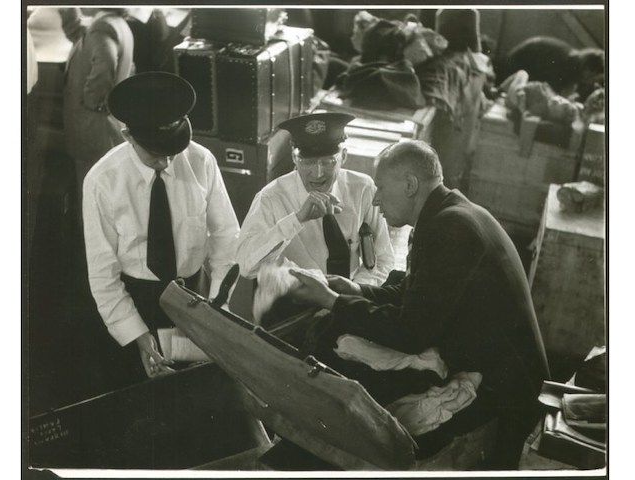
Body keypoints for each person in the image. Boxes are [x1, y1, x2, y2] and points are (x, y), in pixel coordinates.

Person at [287, 139, 550, 469]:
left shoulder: (449, 227)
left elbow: (410, 333)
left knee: (359, 389)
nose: (377, 199)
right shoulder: (446, 213)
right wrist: (354, 290)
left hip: (504, 390)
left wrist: (332, 301)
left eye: (381, 187)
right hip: (484, 362)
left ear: (410, 184)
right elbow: (412, 295)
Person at [82, 72, 240, 382]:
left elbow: (226, 237)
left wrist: (218, 308)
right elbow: (103, 273)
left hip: (196, 296)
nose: (167, 163)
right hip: (136, 301)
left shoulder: (201, 161)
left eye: (173, 151)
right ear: (128, 135)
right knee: (137, 393)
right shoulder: (102, 181)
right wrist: (138, 335)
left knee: (197, 390)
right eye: (155, 153)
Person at [236, 112, 394, 289]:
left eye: (328, 162)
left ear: (344, 156)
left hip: (351, 296)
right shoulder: (271, 198)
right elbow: (246, 267)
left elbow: (382, 259)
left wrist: (355, 291)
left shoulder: (363, 189)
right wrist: (296, 220)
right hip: (295, 300)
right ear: (295, 158)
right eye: (307, 162)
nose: (317, 174)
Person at [59, 7, 134, 217]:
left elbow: (105, 65)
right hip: (105, 127)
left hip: (92, 129)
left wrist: (92, 102)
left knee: (93, 205)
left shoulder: (103, 27)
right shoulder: (116, 24)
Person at [497, 36, 604, 102]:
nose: (590, 81)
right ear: (588, 69)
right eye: (591, 77)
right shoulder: (568, 64)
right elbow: (549, 93)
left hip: (524, 64)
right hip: (516, 66)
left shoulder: (573, 60)